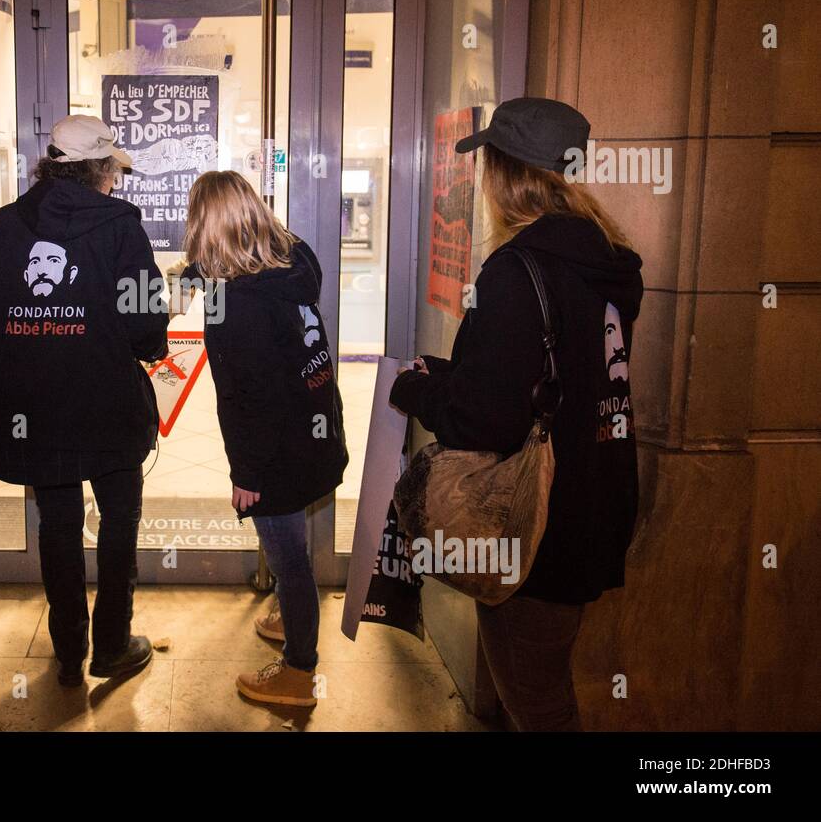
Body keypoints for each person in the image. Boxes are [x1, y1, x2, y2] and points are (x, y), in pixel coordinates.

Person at [390, 97, 644, 731]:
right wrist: (449, 372)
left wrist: (415, 393)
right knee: (538, 687)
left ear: (506, 173)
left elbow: (484, 421)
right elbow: (550, 380)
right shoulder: (605, 260)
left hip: (537, 523)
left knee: (536, 700)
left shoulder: (518, 270)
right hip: (596, 501)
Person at [0, 114, 169, 687]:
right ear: (100, 169)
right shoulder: (120, 226)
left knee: (56, 525)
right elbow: (143, 320)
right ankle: (111, 644)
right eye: (113, 171)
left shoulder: (6, 225)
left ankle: (67, 650)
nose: (116, 182)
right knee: (119, 519)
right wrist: (148, 343)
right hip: (106, 402)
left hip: (34, 407)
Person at [180, 171, 348, 708]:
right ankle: (290, 617)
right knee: (291, 548)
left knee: (289, 557)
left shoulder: (234, 305)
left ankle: (300, 669)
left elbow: (245, 398)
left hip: (275, 453)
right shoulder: (293, 261)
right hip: (316, 429)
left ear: (207, 227)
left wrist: (246, 476)